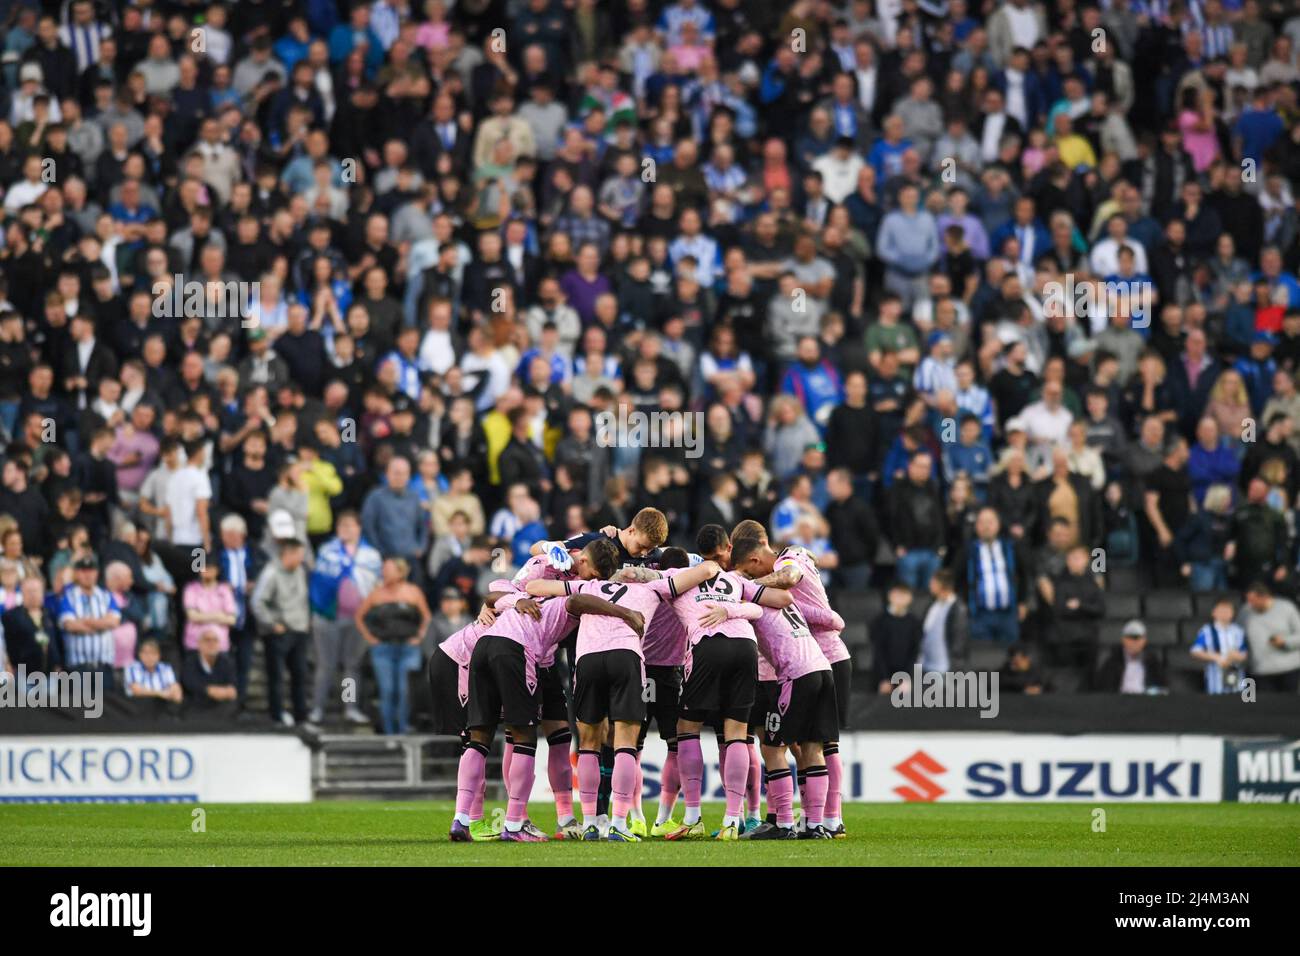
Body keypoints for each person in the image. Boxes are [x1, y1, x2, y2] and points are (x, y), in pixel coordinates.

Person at [309, 510, 382, 724]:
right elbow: (319, 582)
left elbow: (375, 585)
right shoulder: (326, 551)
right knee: (325, 665)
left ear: (359, 528)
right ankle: (317, 708)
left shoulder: (371, 555)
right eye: (342, 525)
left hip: (357, 619)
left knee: (351, 665)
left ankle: (349, 707)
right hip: (326, 618)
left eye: (351, 525)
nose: (346, 529)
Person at [355, 556, 433, 735]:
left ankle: (403, 728)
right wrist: (369, 637)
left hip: (408, 648)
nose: (384, 572)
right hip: (383, 648)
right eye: (384, 569)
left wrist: (420, 636)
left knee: (405, 691)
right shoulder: (377, 593)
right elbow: (359, 616)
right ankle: (390, 733)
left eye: (388, 569)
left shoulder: (412, 592)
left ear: (400, 572)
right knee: (387, 691)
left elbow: (427, 617)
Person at [252, 538, 312, 727]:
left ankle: (301, 716)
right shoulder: (271, 573)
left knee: (300, 674)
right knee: (276, 676)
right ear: (287, 554)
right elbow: (257, 602)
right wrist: (272, 624)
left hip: (300, 630)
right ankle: (277, 716)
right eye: (299, 555)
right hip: (279, 632)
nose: (302, 559)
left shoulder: (301, 572)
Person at [56, 554, 120, 691]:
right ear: (77, 574)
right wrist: (102, 624)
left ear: (97, 573)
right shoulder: (68, 597)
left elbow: (114, 622)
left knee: (107, 709)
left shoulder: (106, 596)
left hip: (103, 666)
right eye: (83, 571)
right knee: (78, 709)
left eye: (91, 571)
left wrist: (85, 621)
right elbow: (70, 625)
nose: (88, 575)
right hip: (78, 667)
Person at [1236, 581, 1300, 693]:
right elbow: (1236, 635)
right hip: (1260, 670)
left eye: (1253, 601)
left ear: (1264, 597)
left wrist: (1285, 641)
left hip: (1289, 669)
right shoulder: (1245, 612)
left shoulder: (1287, 608)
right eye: (1248, 600)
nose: (1250, 604)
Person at [1190, 597, 1249, 695]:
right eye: (1221, 610)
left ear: (1233, 613)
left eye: (1228, 610)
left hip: (1236, 677)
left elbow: (1244, 653)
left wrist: (1237, 656)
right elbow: (1195, 651)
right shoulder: (1207, 631)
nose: (1224, 613)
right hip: (1216, 680)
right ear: (1214, 613)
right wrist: (1216, 657)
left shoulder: (1238, 631)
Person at [1092, 620, 1167, 694]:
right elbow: (1103, 689)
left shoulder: (1152, 663)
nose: (1133, 643)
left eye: (1137, 638)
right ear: (1123, 640)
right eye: (1130, 638)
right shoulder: (1112, 662)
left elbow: (1162, 688)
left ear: (1144, 641)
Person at [180, 627, 240, 718]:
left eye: (215, 640)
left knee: (231, 704)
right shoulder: (190, 661)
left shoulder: (227, 662)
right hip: (195, 706)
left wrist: (227, 691)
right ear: (199, 644)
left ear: (219, 645)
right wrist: (208, 690)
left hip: (220, 705)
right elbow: (189, 683)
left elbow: (232, 686)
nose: (211, 643)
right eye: (207, 640)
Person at [124, 636, 182, 710]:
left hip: (162, 711)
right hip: (138, 710)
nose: (149, 657)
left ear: (158, 656)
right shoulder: (132, 667)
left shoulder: (166, 668)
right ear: (140, 655)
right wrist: (160, 693)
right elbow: (137, 691)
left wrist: (174, 692)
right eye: (146, 653)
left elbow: (175, 689)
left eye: (153, 653)